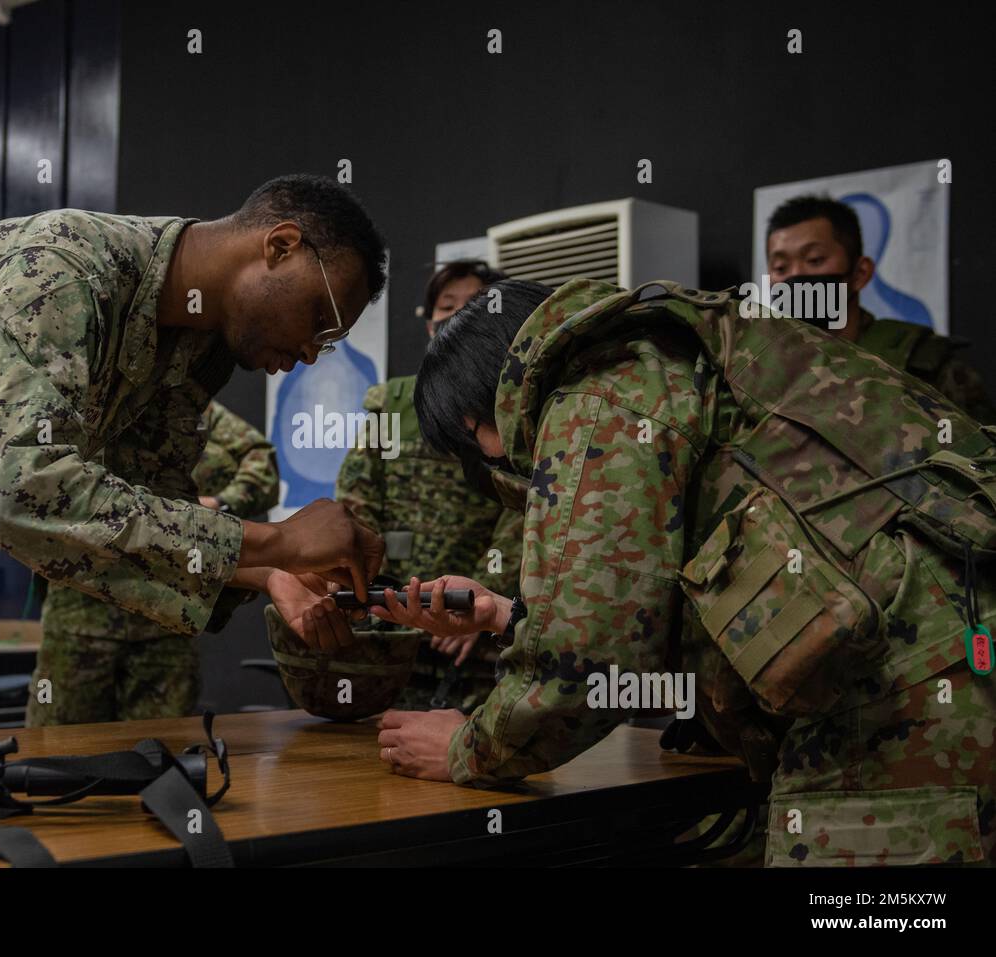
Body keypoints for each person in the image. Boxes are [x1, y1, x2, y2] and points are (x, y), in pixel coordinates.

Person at [284, 276, 996, 866]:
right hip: (945, 659)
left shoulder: (595, 395)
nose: (496, 466)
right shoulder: (663, 354)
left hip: (910, 705)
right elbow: (672, 599)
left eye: (477, 446)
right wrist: (506, 614)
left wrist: (468, 745)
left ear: (480, 412)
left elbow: (591, 658)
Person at [0, 174, 385, 737]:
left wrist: (266, 574)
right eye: (319, 320)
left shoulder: (193, 347)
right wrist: (277, 543)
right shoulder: (62, 270)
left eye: (329, 342)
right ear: (279, 246)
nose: (310, 353)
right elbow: (21, 490)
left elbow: (145, 505)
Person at [335, 260, 521, 712]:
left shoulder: (514, 408)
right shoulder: (391, 406)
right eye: (446, 306)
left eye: (473, 305)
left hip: (470, 625)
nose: (454, 316)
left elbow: (524, 513)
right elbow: (355, 501)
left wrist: (485, 598)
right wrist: (368, 590)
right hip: (393, 621)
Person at [29, 399, 279, 724]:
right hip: (82, 616)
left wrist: (222, 505)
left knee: (163, 750)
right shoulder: (86, 393)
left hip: (165, 615)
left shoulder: (187, 401)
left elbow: (262, 461)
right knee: (56, 749)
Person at [766, 194, 995, 421]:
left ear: (860, 273)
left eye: (814, 260)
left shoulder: (921, 366)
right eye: (781, 267)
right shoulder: (758, 371)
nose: (795, 275)